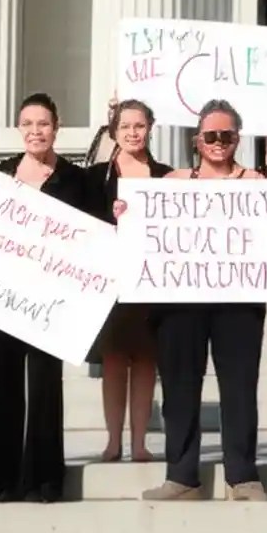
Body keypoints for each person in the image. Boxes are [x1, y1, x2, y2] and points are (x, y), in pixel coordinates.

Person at [125, 99, 267, 502]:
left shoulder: (257, 184)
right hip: (181, 301)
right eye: (211, 135)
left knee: (240, 386)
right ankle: (182, 476)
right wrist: (128, 211)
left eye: (226, 135)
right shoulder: (173, 182)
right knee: (179, 387)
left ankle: (242, 476)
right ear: (197, 140)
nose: (219, 142)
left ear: (238, 139)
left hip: (239, 301)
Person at [0, 93, 85, 503]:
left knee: (43, 387)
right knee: (0, 385)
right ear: (19, 129)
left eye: (43, 124)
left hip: (50, 302)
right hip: (1, 296)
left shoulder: (76, 180)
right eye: (28, 124)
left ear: (56, 128)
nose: (35, 131)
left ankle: (42, 481)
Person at [85, 99, 172, 463]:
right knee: (115, 360)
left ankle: (139, 443)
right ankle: (112, 440)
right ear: (114, 131)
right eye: (125, 127)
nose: (133, 132)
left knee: (147, 361)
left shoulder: (167, 175)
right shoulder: (96, 177)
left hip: (153, 280)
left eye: (139, 125)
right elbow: (83, 224)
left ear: (150, 127)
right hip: (111, 281)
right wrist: (112, 217)